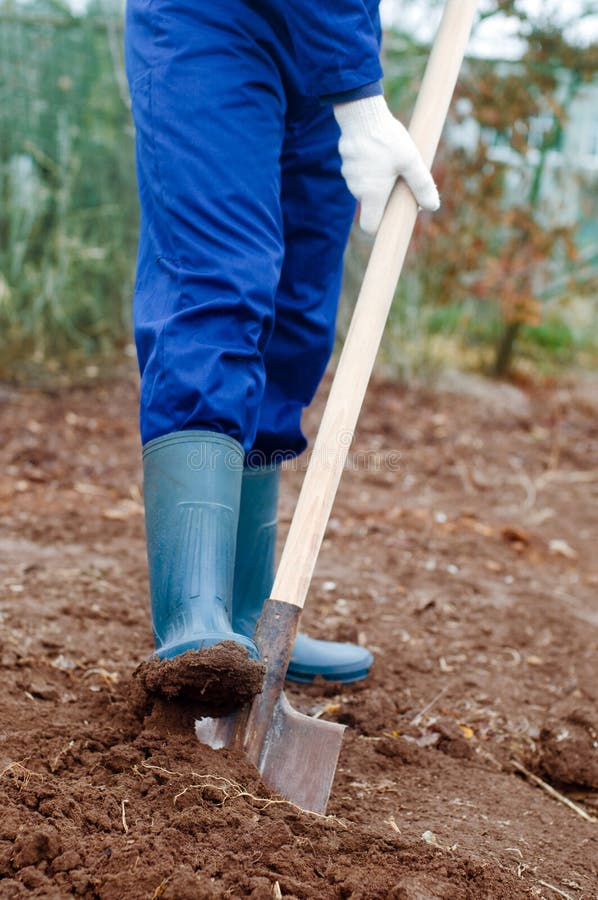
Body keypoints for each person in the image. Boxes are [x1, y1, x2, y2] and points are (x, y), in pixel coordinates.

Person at [124, 0, 438, 689]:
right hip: (211, 23)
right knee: (218, 278)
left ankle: (248, 618)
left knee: (297, 313)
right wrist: (359, 100)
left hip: (324, 44)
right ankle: (194, 615)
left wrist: (346, 78)